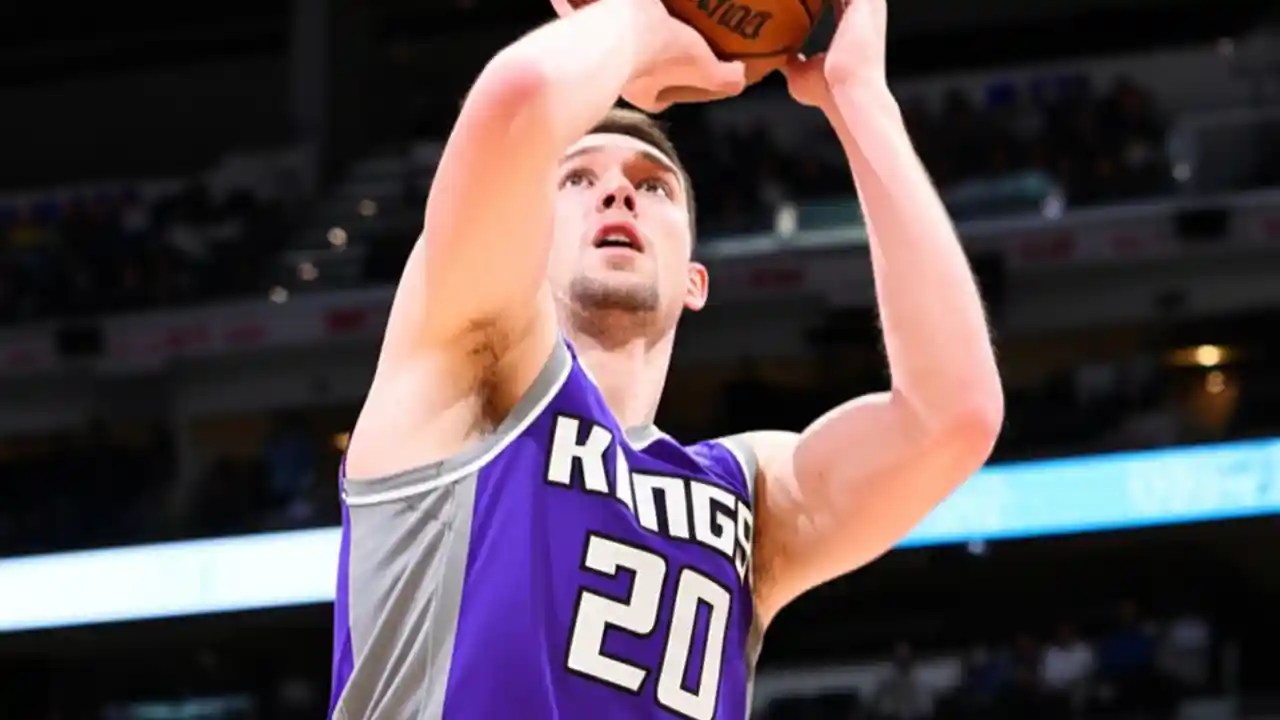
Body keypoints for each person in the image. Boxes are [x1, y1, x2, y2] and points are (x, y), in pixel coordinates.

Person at [328, 0, 1003, 717]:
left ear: (694, 280)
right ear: (527, 233)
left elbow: (953, 417)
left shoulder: (746, 499)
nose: (619, 190)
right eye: (577, 179)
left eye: (653, 186)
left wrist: (861, 96)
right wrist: (646, 21)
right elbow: (518, 99)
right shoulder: (463, 371)